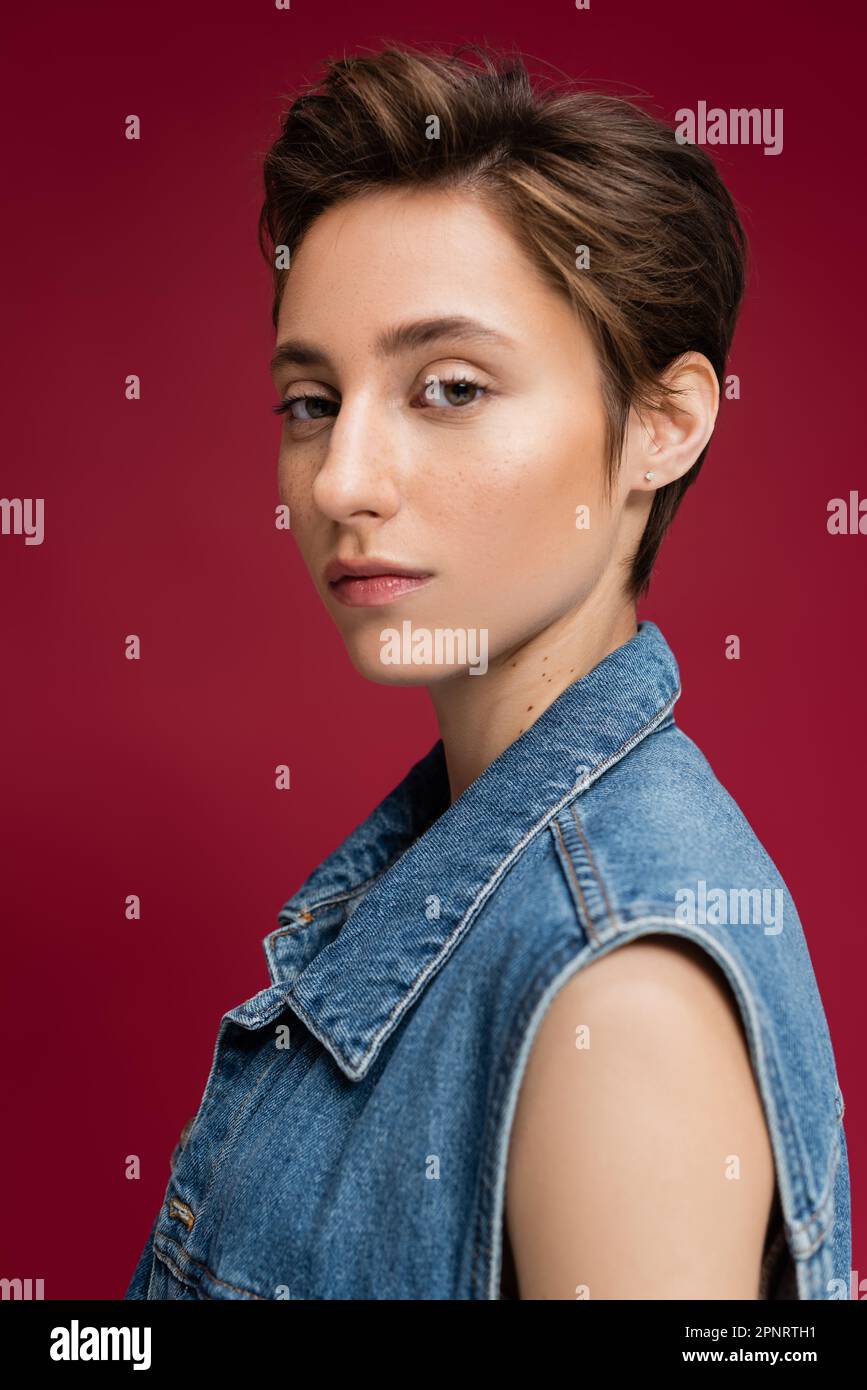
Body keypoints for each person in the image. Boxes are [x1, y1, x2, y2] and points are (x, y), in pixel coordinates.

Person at [125, 42, 851, 1301]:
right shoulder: (465, 866)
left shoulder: (617, 999)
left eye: (449, 387)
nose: (344, 480)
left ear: (663, 425)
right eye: (312, 400)